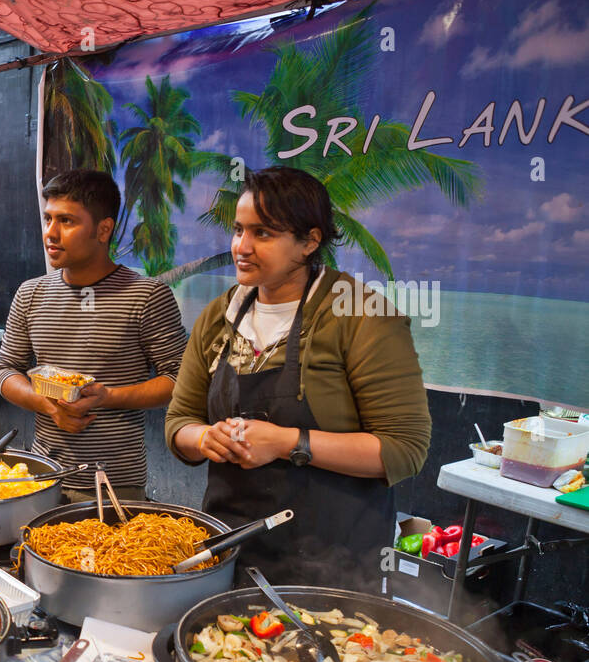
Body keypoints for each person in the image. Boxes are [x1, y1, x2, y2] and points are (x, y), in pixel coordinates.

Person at [164, 166, 431, 589]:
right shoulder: (220, 316)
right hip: (229, 550)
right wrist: (203, 439)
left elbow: (404, 449)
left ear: (309, 242)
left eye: (263, 234)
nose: (242, 247)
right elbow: (178, 421)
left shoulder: (360, 315)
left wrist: (288, 443)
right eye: (238, 230)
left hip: (333, 563)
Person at [0, 170, 187, 501]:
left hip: (115, 485)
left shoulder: (146, 295)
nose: (50, 233)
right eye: (48, 219)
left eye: (66, 221)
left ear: (103, 229)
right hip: (42, 478)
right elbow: (4, 370)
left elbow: (179, 379)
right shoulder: (31, 294)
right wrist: (49, 406)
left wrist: (108, 396)